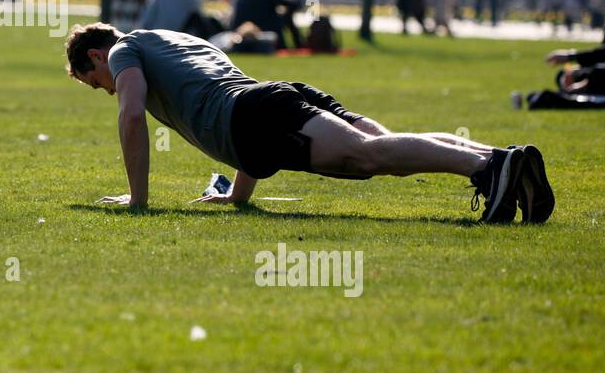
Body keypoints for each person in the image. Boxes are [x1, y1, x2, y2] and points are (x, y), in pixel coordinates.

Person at [64, 23, 554, 224]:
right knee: (381, 147)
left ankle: (489, 169)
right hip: (271, 102)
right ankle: (501, 159)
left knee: (369, 158)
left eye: (96, 82)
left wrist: (138, 199)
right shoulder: (175, 39)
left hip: (259, 115)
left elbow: (132, 115)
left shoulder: (126, 50)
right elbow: (229, 106)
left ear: (95, 55)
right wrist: (238, 193)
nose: (107, 89)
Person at [231, 0, 302, 49]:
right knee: (288, 16)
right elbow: (293, 5)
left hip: (241, 31)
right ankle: (297, 45)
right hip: (263, 30)